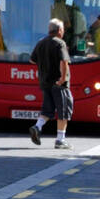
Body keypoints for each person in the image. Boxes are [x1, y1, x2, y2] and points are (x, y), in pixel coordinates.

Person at [28, 18, 73, 149]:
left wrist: (45, 63)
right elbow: (64, 61)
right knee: (64, 110)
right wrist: (63, 78)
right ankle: (60, 140)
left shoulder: (41, 43)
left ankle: (37, 127)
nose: (63, 32)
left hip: (45, 82)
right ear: (59, 30)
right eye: (63, 29)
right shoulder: (60, 43)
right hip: (59, 84)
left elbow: (32, 60)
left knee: (47, 109)